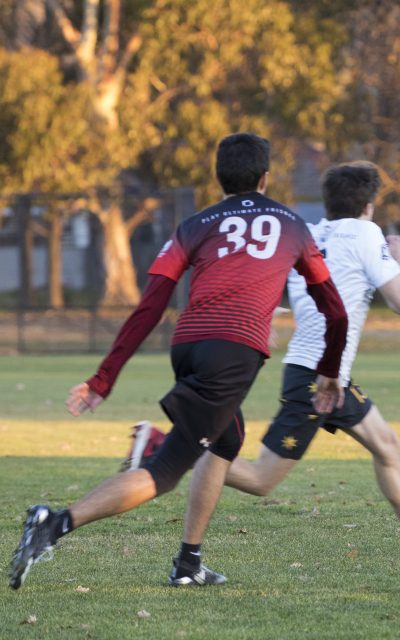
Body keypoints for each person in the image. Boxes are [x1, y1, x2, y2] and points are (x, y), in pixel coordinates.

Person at [9, 132, 348, 590]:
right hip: (233, 351)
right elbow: (335, 309)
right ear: (266, 177)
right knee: (166, 471)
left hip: (188, 344)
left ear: (218, 176)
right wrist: (329, 370)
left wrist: (103, 379)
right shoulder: (293, 226)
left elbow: (149, 307)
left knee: (227, 442)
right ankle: (54, 524)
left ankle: (188, 563)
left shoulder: (195, 223)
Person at [125, 161, 400, 556]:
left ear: (326, 202)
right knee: (260, 480)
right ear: (369, 205)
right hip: (317, 378)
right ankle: (164, 449)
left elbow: (273, 283)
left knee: (386, 444)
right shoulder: (366, 233)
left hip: (320, 373)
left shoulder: (306, 234)